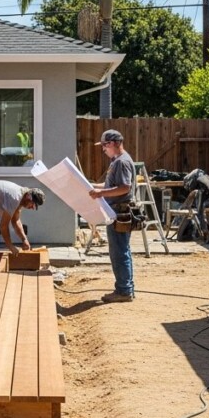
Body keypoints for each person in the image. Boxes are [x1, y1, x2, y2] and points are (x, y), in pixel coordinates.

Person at [88, 129, 135, 303]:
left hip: (120, 212)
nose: (103, 149)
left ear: (114, 143)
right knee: (122, 250)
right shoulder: (117, 161)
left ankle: (123, 291)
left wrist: (100, 193)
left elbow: (124, 187)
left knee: (119, 251)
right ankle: (126, 288)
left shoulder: (121, 162)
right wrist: (95, 186)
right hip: (118, 211)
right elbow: (112, 185)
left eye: (105, 145)